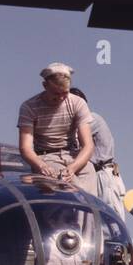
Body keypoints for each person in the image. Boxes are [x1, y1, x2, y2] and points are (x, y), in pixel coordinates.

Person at [17, 62, 97, 197]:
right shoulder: (29, 107)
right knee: (73, 189)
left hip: (73, 155)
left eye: (64, 93)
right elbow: (26, 148)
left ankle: (89, 218)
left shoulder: (77, 103)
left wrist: (73, 167)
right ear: (45, 86)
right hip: (46, 158)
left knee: (91, 188)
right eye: (55, 93)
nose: (60, 98)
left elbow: (88, 146)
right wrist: (41, 166)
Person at [67, 86, 124, 214]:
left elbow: (71, 140)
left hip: (103, 175)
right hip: (95, 174)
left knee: (108, 217)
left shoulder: (91, 119)